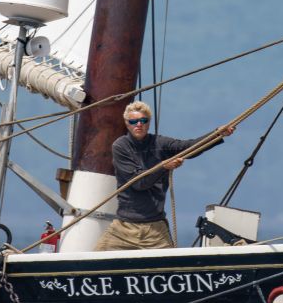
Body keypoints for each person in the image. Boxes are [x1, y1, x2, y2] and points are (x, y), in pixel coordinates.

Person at [95, 102, 234, 251]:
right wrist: (164, 167)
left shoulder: (160, 143)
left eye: (143, 120)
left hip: (155, 230)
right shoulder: (121, 146)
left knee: (172, 267)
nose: (139, 124)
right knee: (93, 263)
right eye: (133, 121)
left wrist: (217, 134)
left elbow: (189, 148)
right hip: (123, 229)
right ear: (127, 124)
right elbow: (139, 183)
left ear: (149, 122)